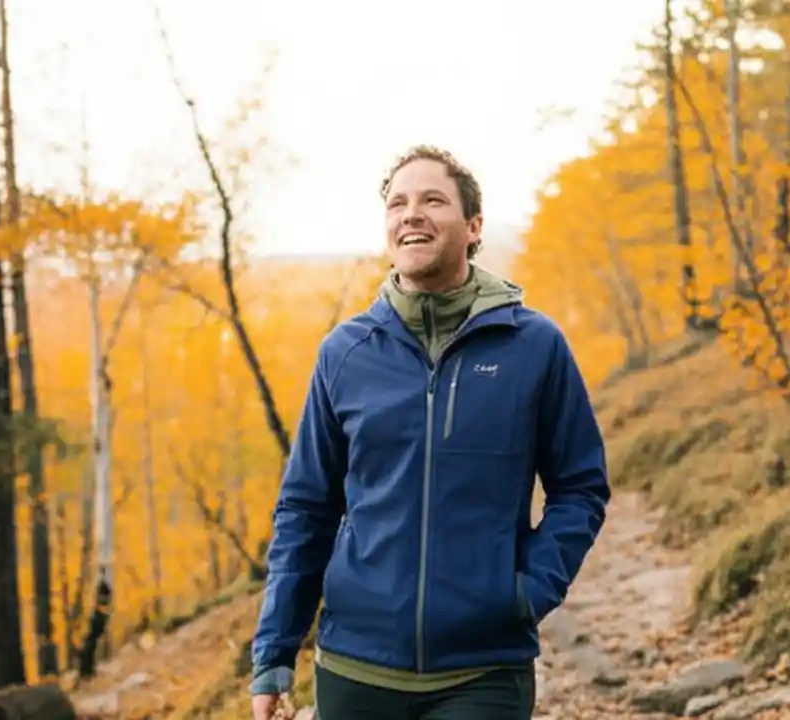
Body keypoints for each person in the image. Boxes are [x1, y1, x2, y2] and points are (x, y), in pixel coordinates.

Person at [249, 144, 611, 720]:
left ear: (474, 226)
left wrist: (528, 591)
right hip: (354, 668)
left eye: (432, 200)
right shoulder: (346, 353)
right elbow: (305, 508)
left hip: (483, 672)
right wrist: (274, 651)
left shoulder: (534, 346)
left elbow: (580, 487)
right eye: (398, 203)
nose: (411, 213)